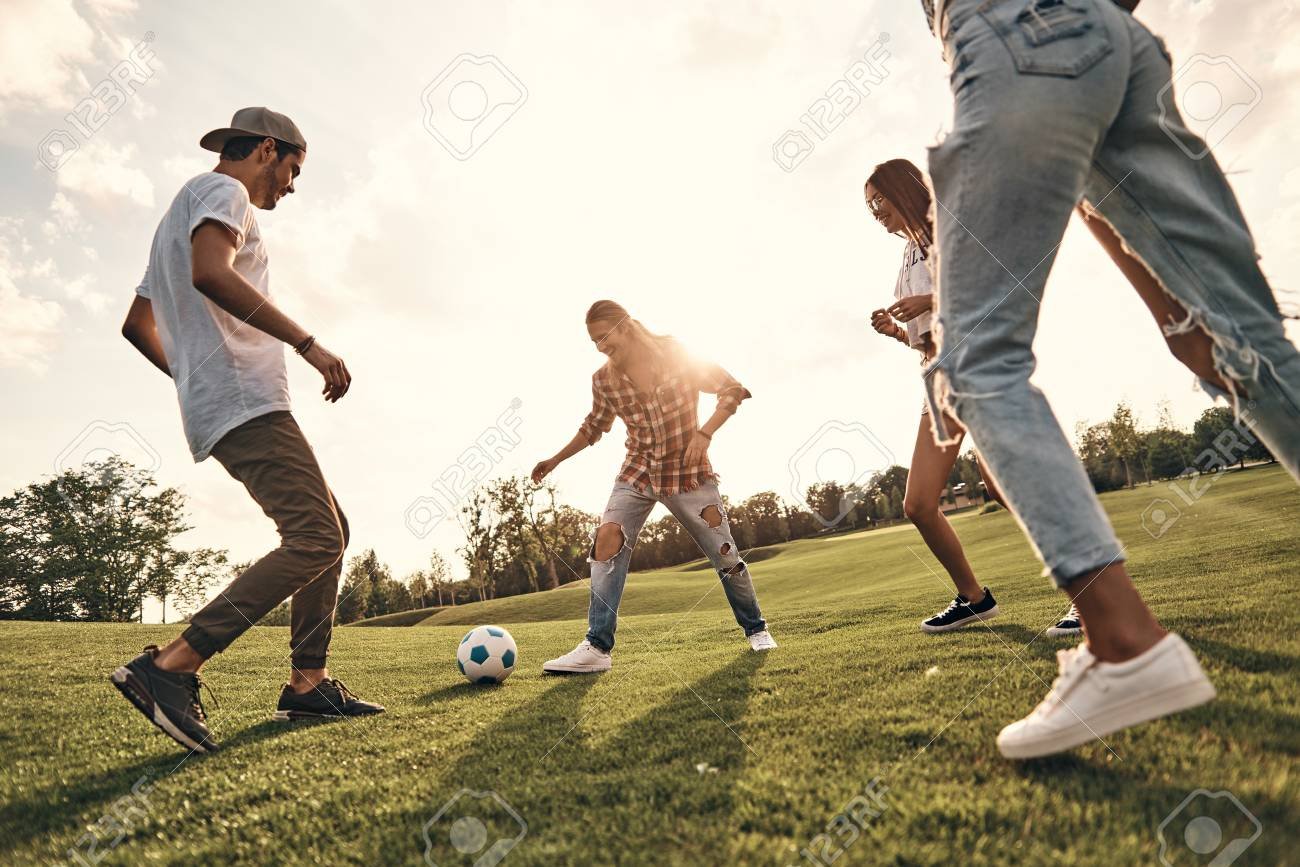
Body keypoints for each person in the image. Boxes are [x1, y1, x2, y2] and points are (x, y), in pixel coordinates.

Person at [919, 0, 1300, 758]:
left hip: (1007, 32)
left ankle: (1125, 641)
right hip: (1116, 36)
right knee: (1246, 336)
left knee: (975, 363)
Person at [112, 107, 383, 754]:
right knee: (316, 534)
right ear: (267, 149)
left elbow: (136, 322)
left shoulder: (179, 211)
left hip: (221, 398)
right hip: (246, 399)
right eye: (294, 168)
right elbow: (211, 271)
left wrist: (192, 375)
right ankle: (173, 663)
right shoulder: (224, 191)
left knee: (332, 529)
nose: (292, 184)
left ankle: (307, 682)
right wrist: (308, 343)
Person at [863, 158, 1082, 637]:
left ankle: (1089, 596)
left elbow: (999, 289)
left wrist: (931, 302)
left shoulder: (952, 226)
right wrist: (899, 332)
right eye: (869, 207)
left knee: (1008, 486)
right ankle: (974, 599)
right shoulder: (907, 254)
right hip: (937, 378)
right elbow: (926, 340)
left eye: (879, 200)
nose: (875, 212)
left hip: (977, 369)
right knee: (918, 504)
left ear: (905, 189)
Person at [531, 301, 776, 673]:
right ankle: (597, 647)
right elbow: (593, 427)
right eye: (594, 342)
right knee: (607, 537)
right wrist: (555, 459)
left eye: (604, 337)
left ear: (625, 326)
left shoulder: (677, 355)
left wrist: (705, 433)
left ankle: (756, 629)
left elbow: (731, 389)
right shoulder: (604, 380)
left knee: (725, 554)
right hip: (638, 472)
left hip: (687, 472)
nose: (600, 347)